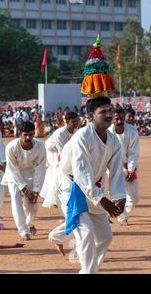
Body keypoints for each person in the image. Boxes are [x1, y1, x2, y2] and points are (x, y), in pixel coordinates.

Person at [60, 96, 126, 274]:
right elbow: (81, 174)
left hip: (92, 189)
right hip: (71, 186)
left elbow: (117, 172)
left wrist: (119, 197)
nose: (108, 115)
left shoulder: (113, 141)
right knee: (86, 233)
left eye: (109, 110)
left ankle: (90, 270)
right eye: (102, 111)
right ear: (91, 115)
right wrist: (103, 200)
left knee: (105, 237)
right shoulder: (82, 137)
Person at [41, 111, 79, 255]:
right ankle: (57, 237)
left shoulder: (76, 133)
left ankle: (58, 237)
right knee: (75, 215)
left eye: (77, 121)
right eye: (73, 122)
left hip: (68, 169)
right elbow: (65, 156)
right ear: (66, 122)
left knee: (75, 216)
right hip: (57, 163)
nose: (75, 124)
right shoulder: (60, 134)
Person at [2, 121, 46, 240]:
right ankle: (23, 231)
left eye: (31, 135)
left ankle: (29, 223)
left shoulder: (40, 147)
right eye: (25, 134)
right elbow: (12, 169)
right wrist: (23, 189)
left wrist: (36, 190)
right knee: (15, 197)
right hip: (14, 175)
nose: (28, 138)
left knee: (32, 204)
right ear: (19, 134)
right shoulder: (11, 147)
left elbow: (40, 169)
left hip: (31, 174)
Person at [108, 107, 140, 226]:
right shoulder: (108, 133)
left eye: (121, 118)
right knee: (118, 194)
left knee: (134, 197)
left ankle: (122, 213)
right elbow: (109, 156)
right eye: (117, 119)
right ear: (112, 119)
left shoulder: (132, 131)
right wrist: (122, 170)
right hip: (111, 167)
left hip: (130, 167)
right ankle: (121, 217)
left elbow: (134, 153)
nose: (119, 121)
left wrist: (130, 170)